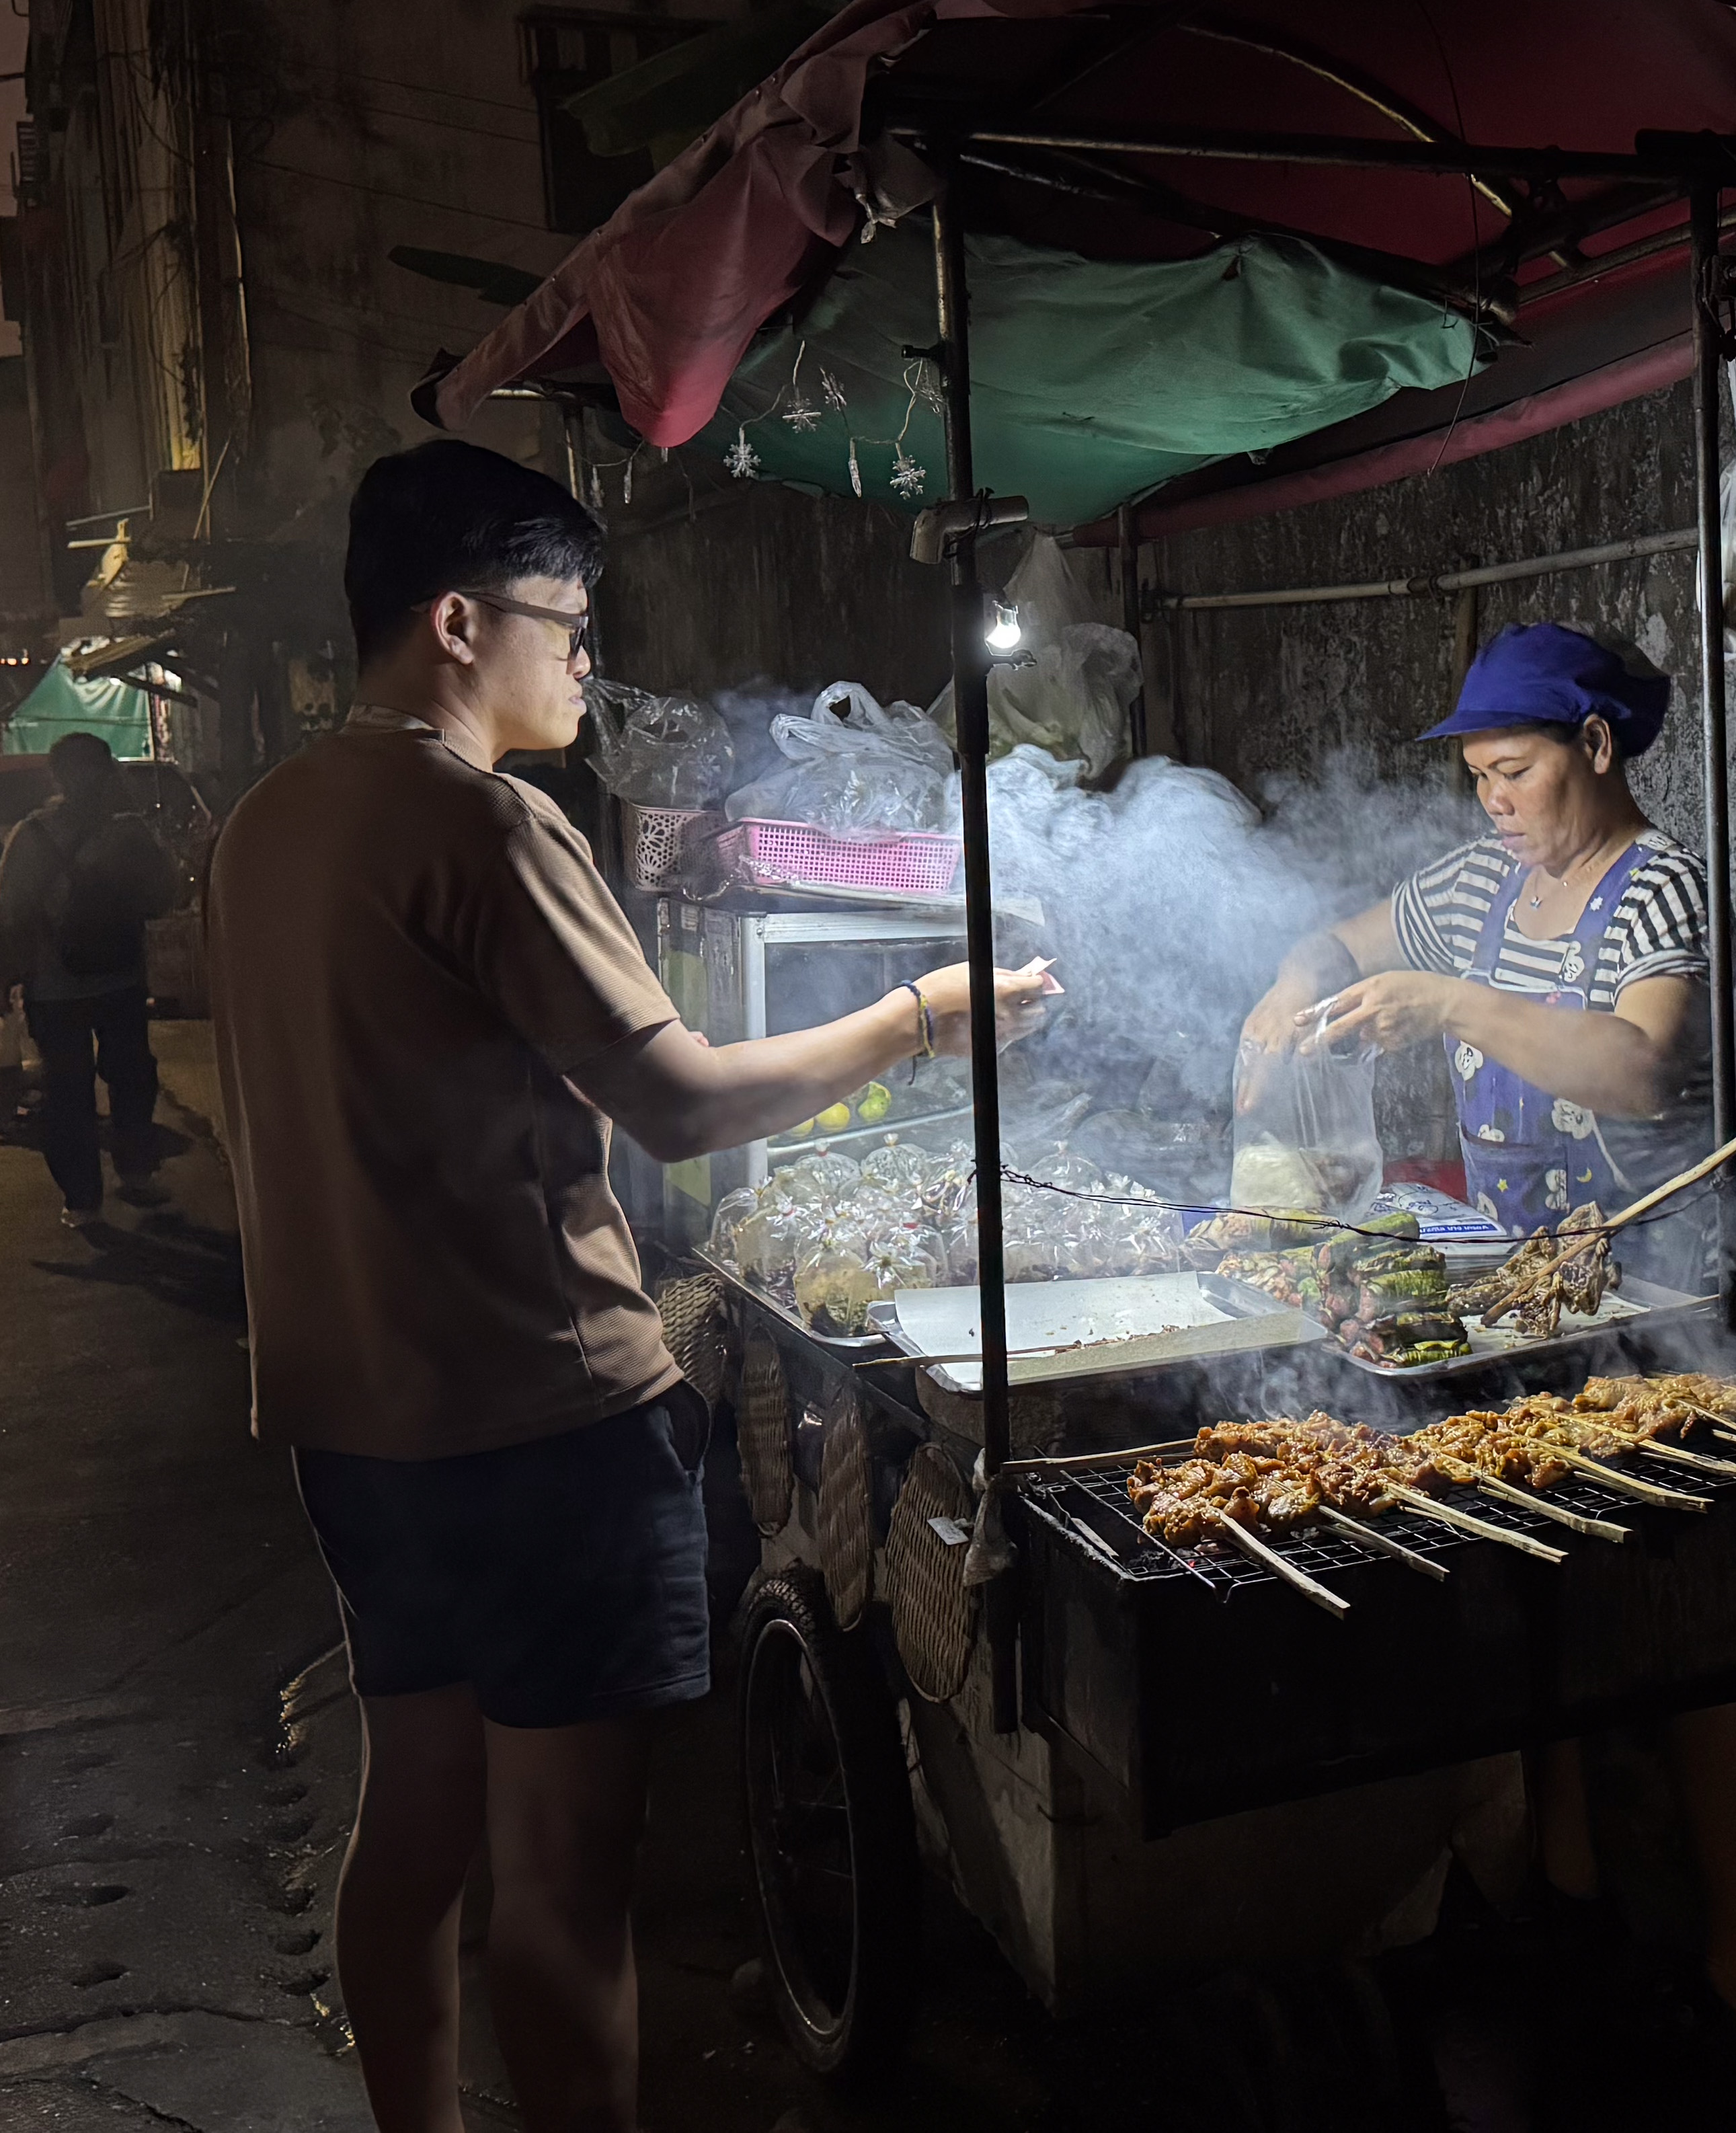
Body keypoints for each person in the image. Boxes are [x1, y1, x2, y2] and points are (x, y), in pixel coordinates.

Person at [207, 439, 1048, 2133]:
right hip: (536, 1419)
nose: (587, 661)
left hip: (354, 1419)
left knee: (419, 1811)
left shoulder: (267, 826)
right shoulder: (485, 822)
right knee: (564, 1877)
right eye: (568, 623)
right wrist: (919, 1019)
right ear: (460, 621)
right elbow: (678, 1100)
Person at [1238, 621, 1736, 2040]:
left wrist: (1455, 1001)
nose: (1491, 801)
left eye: (1514, 771)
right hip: (1517, 1313)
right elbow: (1339, 937)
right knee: (1535, 1610)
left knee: (1688, 1646)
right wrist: (1288, 985)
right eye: (1476, 776)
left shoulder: (1656, 886)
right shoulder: (1480, 879)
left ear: (1593, 748)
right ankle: (1566, 1895)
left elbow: (1634, 1061)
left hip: (1663, 1309)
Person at [0, 731, 179, 1224]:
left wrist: (11, 976)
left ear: (55, 776)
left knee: (68, 1091)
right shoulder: (130, 832)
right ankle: (137, 1174)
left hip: (54, 988)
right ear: (109, 772)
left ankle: (82, 1200)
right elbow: (164, 896)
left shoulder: (32, 836)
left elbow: (11, 913)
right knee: (131, 1077)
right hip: (121, 977)